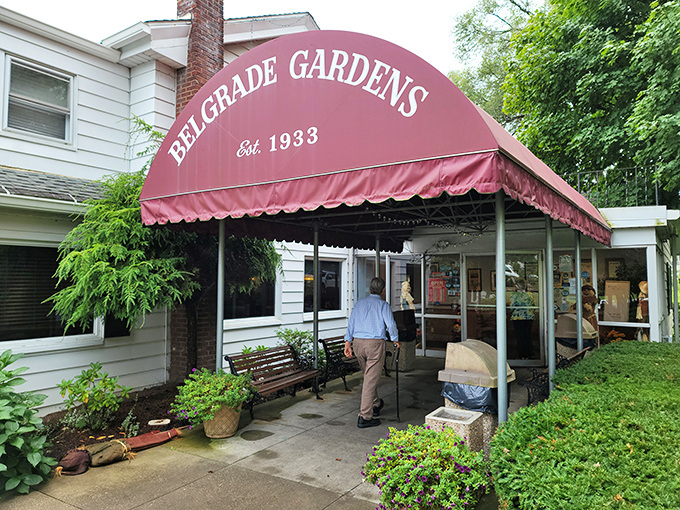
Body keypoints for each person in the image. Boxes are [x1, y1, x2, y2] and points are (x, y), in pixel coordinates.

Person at [344, 277, 400, 428]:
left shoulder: (359, 304)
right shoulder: (383, 305)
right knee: (370, 380)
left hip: (358, 343)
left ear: (370, 289)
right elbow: (391, 324)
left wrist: (347, 342)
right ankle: (365, 417)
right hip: (374, 344)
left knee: (369, 376)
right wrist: (395, 340)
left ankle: (375, 404)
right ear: (383, 290)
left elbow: (351, 323)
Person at [510, 278, 536, 359]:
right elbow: (534, 306)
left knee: (520, 337)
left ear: (517, 286)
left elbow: (511, 307)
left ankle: (522, 355)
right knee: (527, 336)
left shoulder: (514, 295)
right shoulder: (530, 295)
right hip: (529, 318)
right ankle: (530, 354)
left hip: (518, 318)